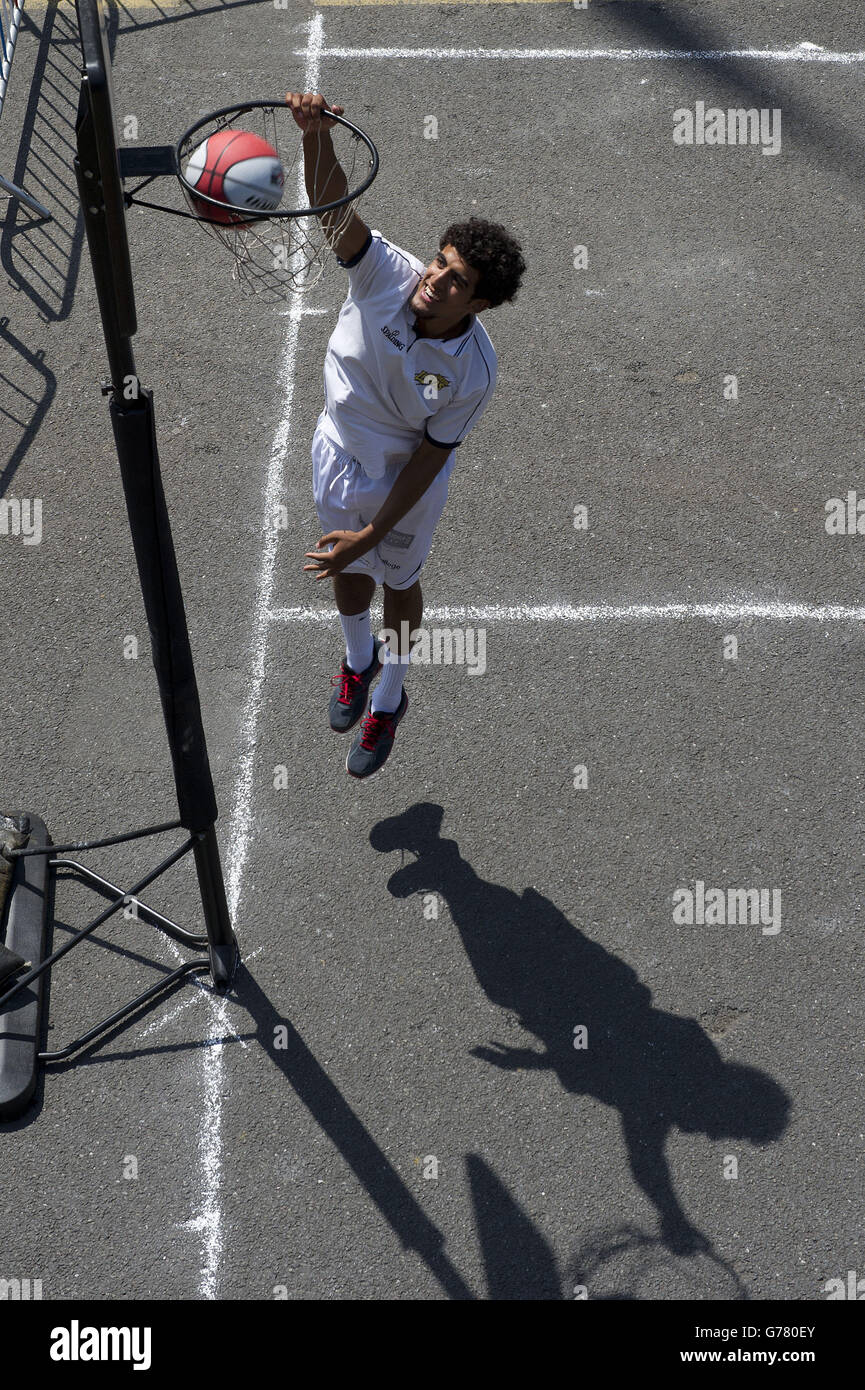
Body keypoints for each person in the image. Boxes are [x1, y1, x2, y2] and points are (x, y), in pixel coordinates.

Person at [287, 91, 525, 777]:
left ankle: (389, 696)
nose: (436, 280)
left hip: (403, 486)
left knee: (397, 579)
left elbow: (429, 458)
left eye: (455, 282)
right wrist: (314, 136)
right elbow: (334, 212)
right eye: (438, 263)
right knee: (344, 568)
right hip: (336, 452)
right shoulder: (385, 274)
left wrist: (374, 528)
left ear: (478, 305)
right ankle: (357, 662)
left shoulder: (473, 372)